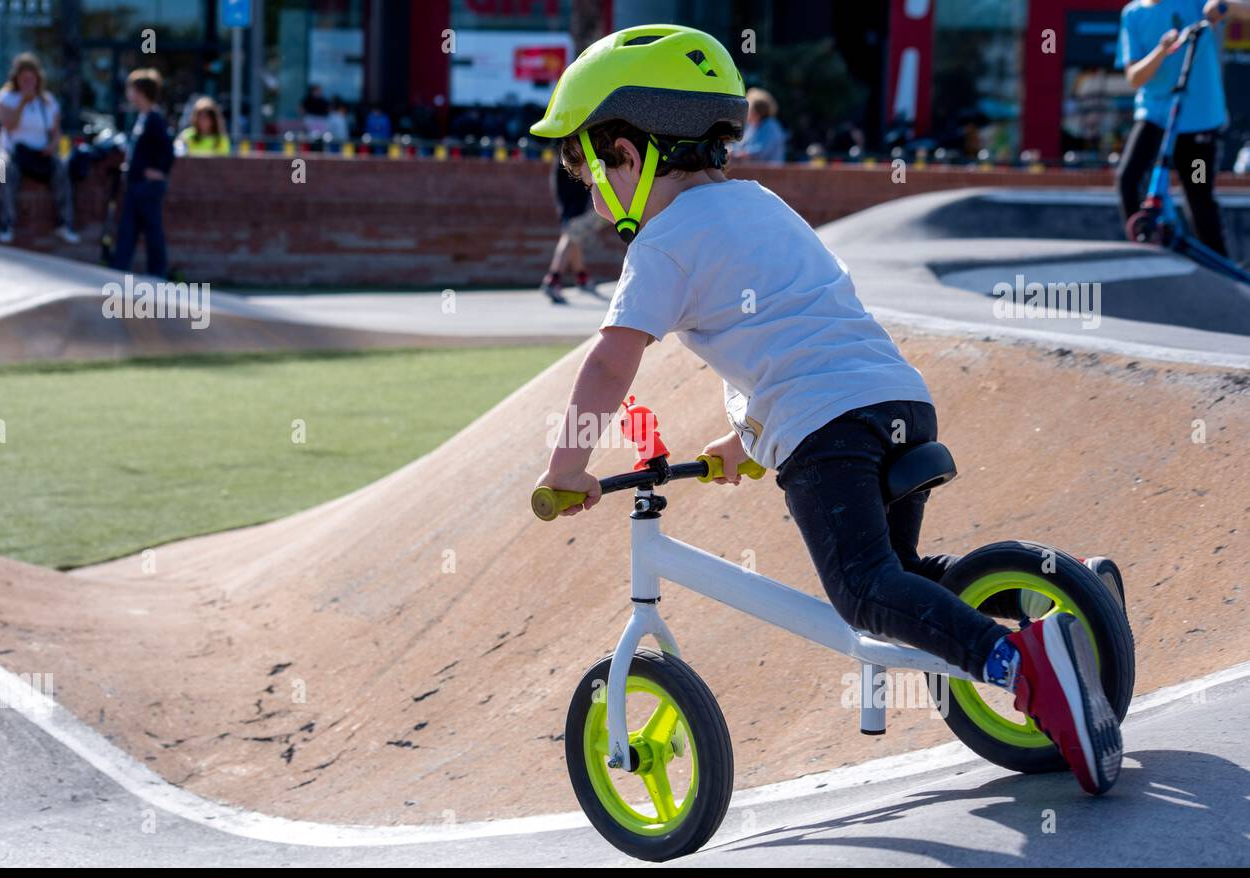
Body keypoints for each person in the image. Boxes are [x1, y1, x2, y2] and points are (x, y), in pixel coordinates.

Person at [530, 25, 1126, 795]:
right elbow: (796, 327)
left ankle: (1023, 667)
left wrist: (567, 465)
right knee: (906, 577)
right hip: (898, 399)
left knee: (865, 592)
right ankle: (1068, 594)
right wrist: (748, 437)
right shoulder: (762, 204)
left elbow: (612, 359)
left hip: (829, 428)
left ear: (630, 155)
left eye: (591, 171)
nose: (594, 193)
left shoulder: (663, 246)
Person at [1116, 0, 1250, 256]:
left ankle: (1219, 265)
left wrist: (1225, 6)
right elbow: (1134, 77)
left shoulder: (1193, 2)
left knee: (1198, 196)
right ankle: (1142, 245)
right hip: (1155, 115)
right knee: (1128, 178)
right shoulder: (1133, 14)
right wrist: (1162, 50)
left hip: (1198, 120)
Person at [0, 52, 78, 245]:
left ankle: (65, 224)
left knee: (62, 169)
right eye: (24, 79)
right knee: (3, 171)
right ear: (17, 78)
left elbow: (56, 132)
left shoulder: (47, 101)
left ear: (38, 78)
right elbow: (8, 125)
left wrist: (52, 146)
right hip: (12, 152)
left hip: (39, 154)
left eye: (32, 78)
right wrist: (23, 102)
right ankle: (6, 223)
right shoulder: (6, 97)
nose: (29, 82)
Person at [111, 69, 174, 277]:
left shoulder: (154, 119)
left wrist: (158, 172)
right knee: (127, 231)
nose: (128, 94)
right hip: (135, 184)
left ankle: (158, 275)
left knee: (152, 231)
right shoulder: (142, 118)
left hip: (147, 187)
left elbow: (168, 150)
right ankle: (118, 274)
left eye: (131, 89)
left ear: (140, 91)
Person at [541, 163, 606, 304]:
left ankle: (582, 276)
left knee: (572, 228)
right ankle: (553, 278)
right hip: (578, 170)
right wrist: (602, 184)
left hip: (563, 167)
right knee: (573, 229)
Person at [732, 87, 786, 163]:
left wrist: (736, 154)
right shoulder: (750, 126)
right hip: (753, 172)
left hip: (769, 173)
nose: (745, 112)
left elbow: (760, 152)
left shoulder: (771, 126)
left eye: (748, 109)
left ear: (756, 112)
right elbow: (738, 146)